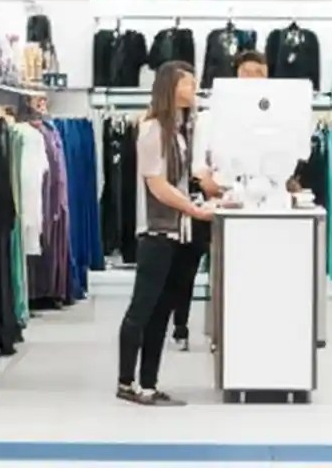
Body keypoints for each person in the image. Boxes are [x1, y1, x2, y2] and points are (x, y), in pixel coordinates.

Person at [117, 61, 214, 406]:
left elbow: (187, 177)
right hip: (157, 232)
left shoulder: (179, 130)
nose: (194, 89)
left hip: (176, 231)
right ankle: (126, 381)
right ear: (170, 87)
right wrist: (193, 208)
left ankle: (148, 383)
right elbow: (156, 185)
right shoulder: (152, 129)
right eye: (188, 84)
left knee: (162, 308)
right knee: (143, 307)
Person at [172, 50, 268, 350]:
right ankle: (181, 327)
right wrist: (209, 185)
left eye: (259, 73)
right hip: (210, 200)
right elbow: (196, 161)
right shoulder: (211, 117)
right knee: (189, 265)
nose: (252, 78)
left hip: (251, 202)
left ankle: (230, 329)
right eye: (247, 71)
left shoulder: (269, 117)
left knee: (240, 269)